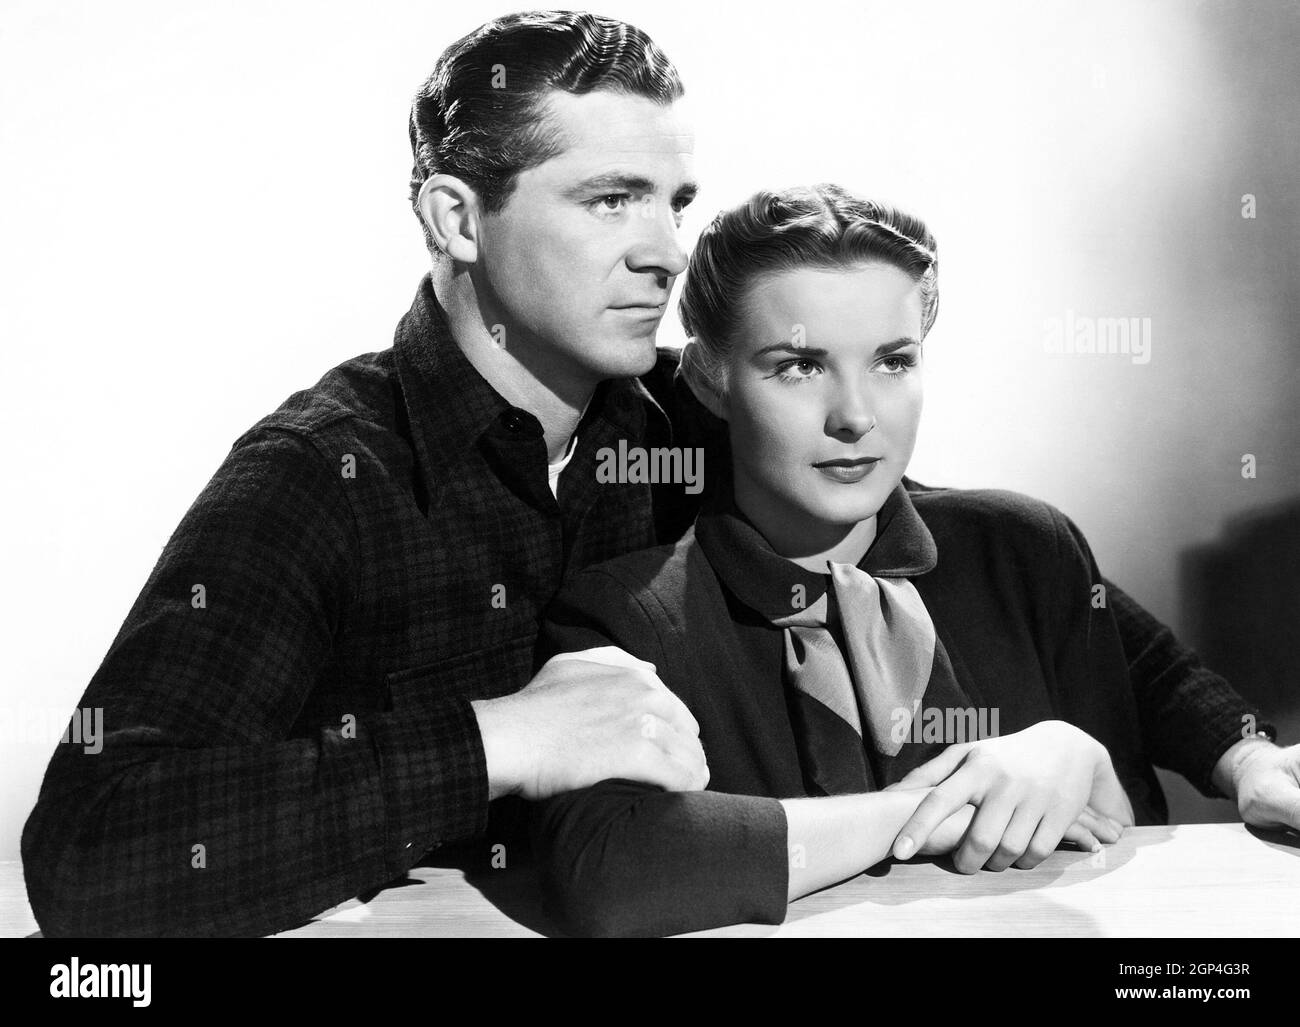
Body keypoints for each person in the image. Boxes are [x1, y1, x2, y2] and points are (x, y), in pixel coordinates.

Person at [20, 10, 710, 938]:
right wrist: (494, 740)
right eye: (611, 200)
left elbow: (907, 520)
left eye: (676, 203)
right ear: (458, 218)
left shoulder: (686, 420)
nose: (666, 250)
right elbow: (90, 850)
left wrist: (977, 755)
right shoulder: (318, 474)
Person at [531, 184, 1300, 938]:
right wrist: (930, 809)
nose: (856, 416)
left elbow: (1154, 671)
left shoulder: (1021, 545)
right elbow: (607, 866)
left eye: (893, 361)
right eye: (799, 366)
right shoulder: (628, 615)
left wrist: (1250, 760)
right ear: (710, 378)